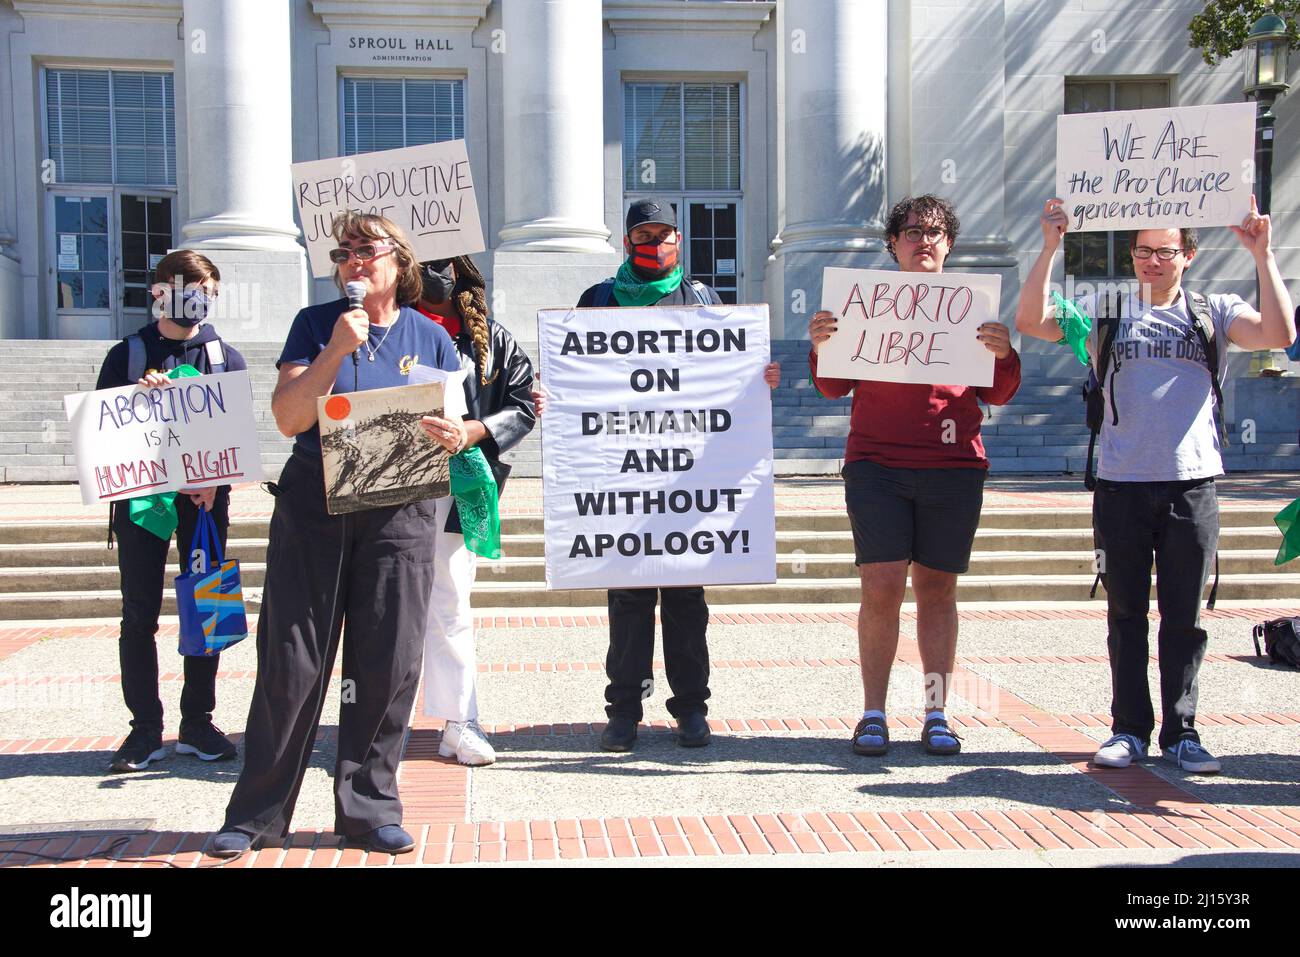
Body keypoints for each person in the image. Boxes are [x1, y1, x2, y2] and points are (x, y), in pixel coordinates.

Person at [212, 213, 464, 857]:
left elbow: (453, 425)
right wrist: (335, 351)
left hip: (401, 511)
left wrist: (455, 435)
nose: (353, 260)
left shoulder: (432, 337)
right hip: (315, 508)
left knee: (389, 661)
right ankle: (259, 814)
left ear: (397, 261)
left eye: (366, 249)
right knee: (291, 663)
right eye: (343, 251)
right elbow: (289, 415)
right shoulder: (314, 323)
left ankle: (369, 808)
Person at [1015, 196, 1295, 774]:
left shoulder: (1212, 309)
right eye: (1142, 251)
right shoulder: (1107, 309)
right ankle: (1128, 729)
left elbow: (1278, 331)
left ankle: (1183, 731)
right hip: (1120, 484)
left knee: (1185, 617)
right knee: (1125, 614)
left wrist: (1263, 255)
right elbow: (1030, 321)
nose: (1152, 261)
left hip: (1192, 485)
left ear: (1188, 255)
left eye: (1165, 251)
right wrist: (1049, 248)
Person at [808, 194, 1021, 757]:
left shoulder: (974, 307)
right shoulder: (862, 305)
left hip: (953, 468)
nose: (923, 240)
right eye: (911, 232)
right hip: (876, 466)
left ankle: (936, 711)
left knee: (937, 590)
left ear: (949, 243)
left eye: (934, 232)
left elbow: (998, 392)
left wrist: (1003, 353)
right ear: (892, 245)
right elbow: (832, 388)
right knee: (880, 586)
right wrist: (822, 345)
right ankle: (872, 712)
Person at [571, 199, 779, 752]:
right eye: (644, 235)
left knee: (687, 601)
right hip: (623, 476)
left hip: (687, 480)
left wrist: (760, 378)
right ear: (627, 242)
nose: (655, 244)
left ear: (680, 241)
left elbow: (726, 379)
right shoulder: (597, 300)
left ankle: (691, 708)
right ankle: (623, 711)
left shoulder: (706, 299)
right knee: (629, 602)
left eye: (665, 235)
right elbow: (578, 375)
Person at [96, 250, 246, 772]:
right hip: (142, 505)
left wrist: (215, 482)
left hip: (204, 506)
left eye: (203, 287)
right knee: (138, 614)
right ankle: (143, 730)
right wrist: (138, 397)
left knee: (208, 609)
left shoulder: (227, 357)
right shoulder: (128, 355)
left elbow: (233, 436)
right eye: (182, 286)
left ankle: (198, 722)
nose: (193, 296)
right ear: (158, 291)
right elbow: (101, 430)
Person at [413, 255, 536, 765]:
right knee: (384, 605)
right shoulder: (385, 328)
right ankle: (376, 718)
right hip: (388, 483)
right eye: (422, 262)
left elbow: (524, 402)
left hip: (458, 486)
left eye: (443, 263)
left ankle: (460, 721)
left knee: (451, 604)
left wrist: (473, 431)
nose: (434, 272)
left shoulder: (492, 339)